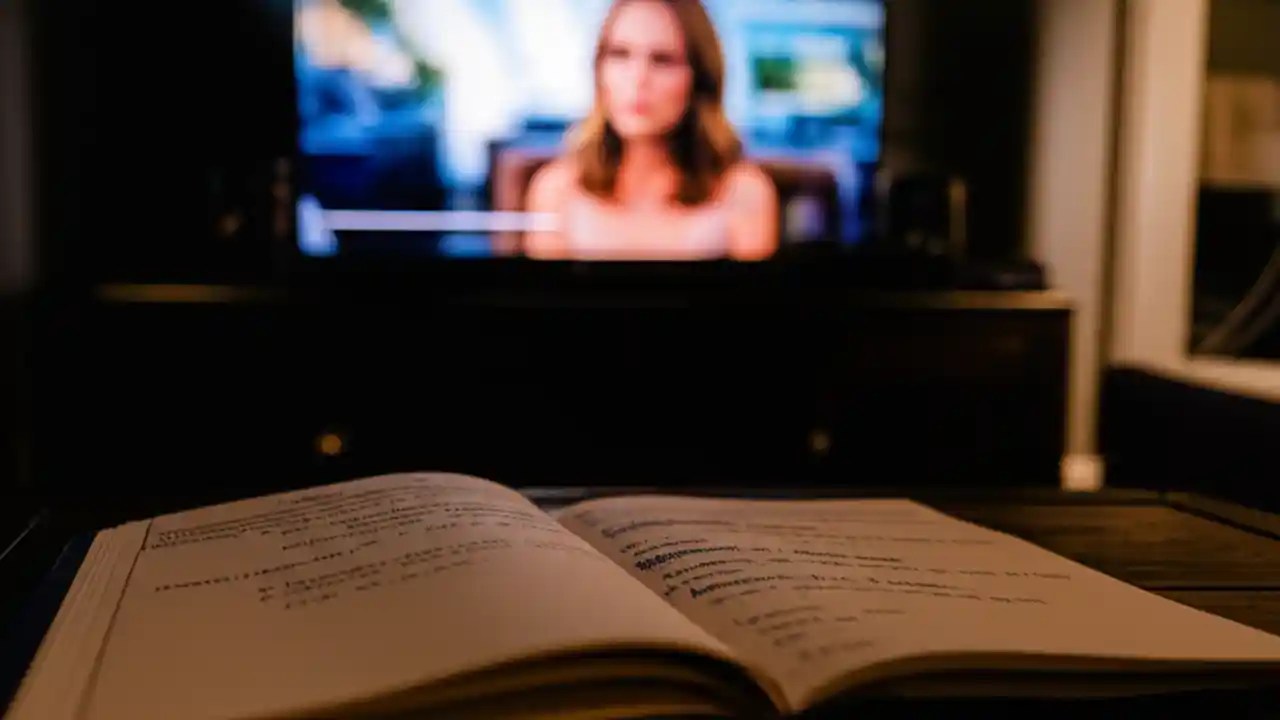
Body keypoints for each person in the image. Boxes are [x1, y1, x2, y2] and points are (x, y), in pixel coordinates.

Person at [524, 0, 779, 261]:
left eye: (662, 60)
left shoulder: (744, 191)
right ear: (599, 70)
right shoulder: (555, 189)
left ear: (699, 78)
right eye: (620, 54)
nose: (638, 79)